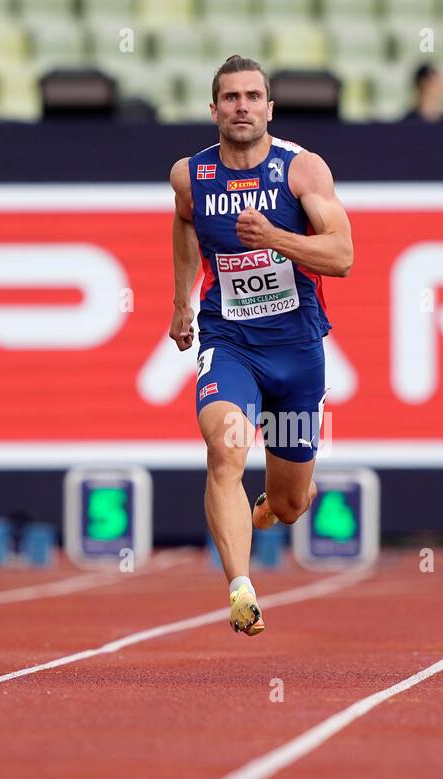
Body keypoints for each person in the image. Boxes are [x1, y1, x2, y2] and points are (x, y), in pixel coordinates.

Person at [169, 55, 353, 635]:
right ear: (214, 109)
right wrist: (181, 303)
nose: (242, 106)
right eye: (231, 97)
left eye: (253, 96)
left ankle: (273, 505)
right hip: (230, 342)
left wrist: (274, 236)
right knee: (226, 449)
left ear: (269, 107)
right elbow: (183, 225)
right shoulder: (190, 176)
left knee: (292, 504)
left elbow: (343, 256)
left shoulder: (301, 171)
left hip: (297, 352)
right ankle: (240, 586)